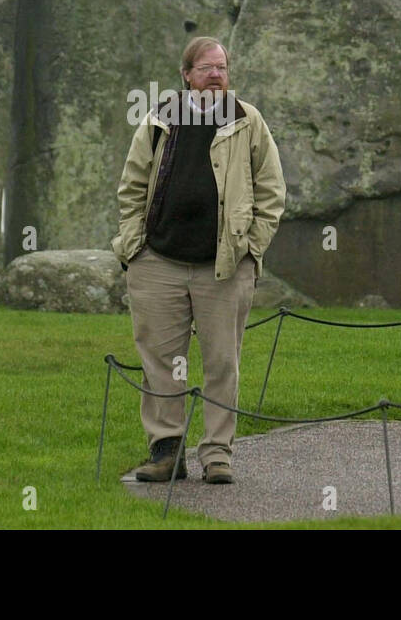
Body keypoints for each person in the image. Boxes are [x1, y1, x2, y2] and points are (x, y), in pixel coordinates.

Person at [111, 37, 286, 484]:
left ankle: (217, 455)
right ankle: (167, 452)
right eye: (206, 67)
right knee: (161, 363)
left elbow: (272, 190)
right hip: (158, 261)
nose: (215, 74)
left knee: (221, 361)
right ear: (186, 74)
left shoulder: (248, 121)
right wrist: (134, 246)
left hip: (224, 266)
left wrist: (252, 247)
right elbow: (132, 187)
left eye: (222, 68)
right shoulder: (159, 118)